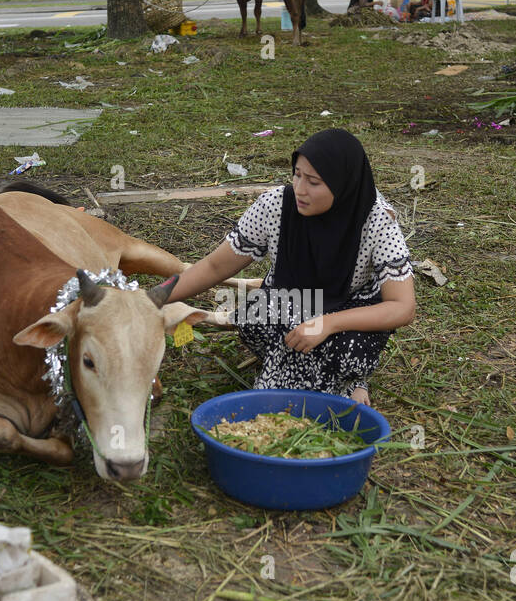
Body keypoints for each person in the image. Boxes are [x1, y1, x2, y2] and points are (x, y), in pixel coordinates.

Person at [167, 129, 414, 407]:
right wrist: (154, 297)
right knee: (252, 319)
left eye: (314, 182)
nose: (300, 189)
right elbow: (214, 266)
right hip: (288, 302)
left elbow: (402, 306)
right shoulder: (275, 206)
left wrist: (327, 323)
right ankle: (320, 377)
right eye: (297, 175)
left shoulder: (377, 220)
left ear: (344, 184)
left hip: (347, 310)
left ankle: (349, 380)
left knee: (348, 350)